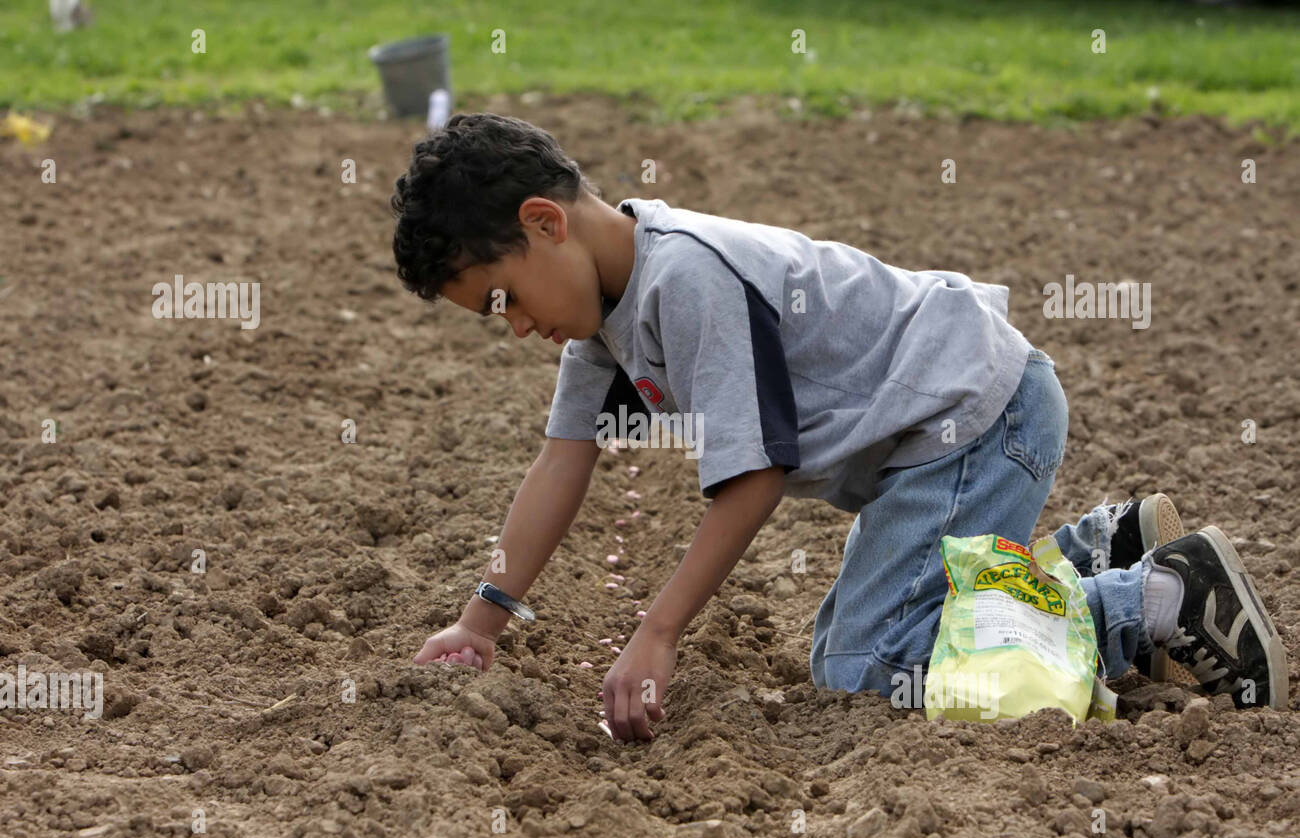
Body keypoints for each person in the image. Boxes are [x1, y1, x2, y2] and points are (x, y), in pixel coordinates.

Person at [389, 112, 1288, 742]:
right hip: (942, 441)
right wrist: (482, 623)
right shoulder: (608, 311)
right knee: (850, 656)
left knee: (868, 666)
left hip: (972, 421)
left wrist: (657, 630)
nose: (512, 325)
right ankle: (1099, 548)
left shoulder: (687, 280)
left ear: (544, 223)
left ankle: (1162, 599)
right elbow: (561, 460)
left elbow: (753, 480)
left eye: (501, 298)